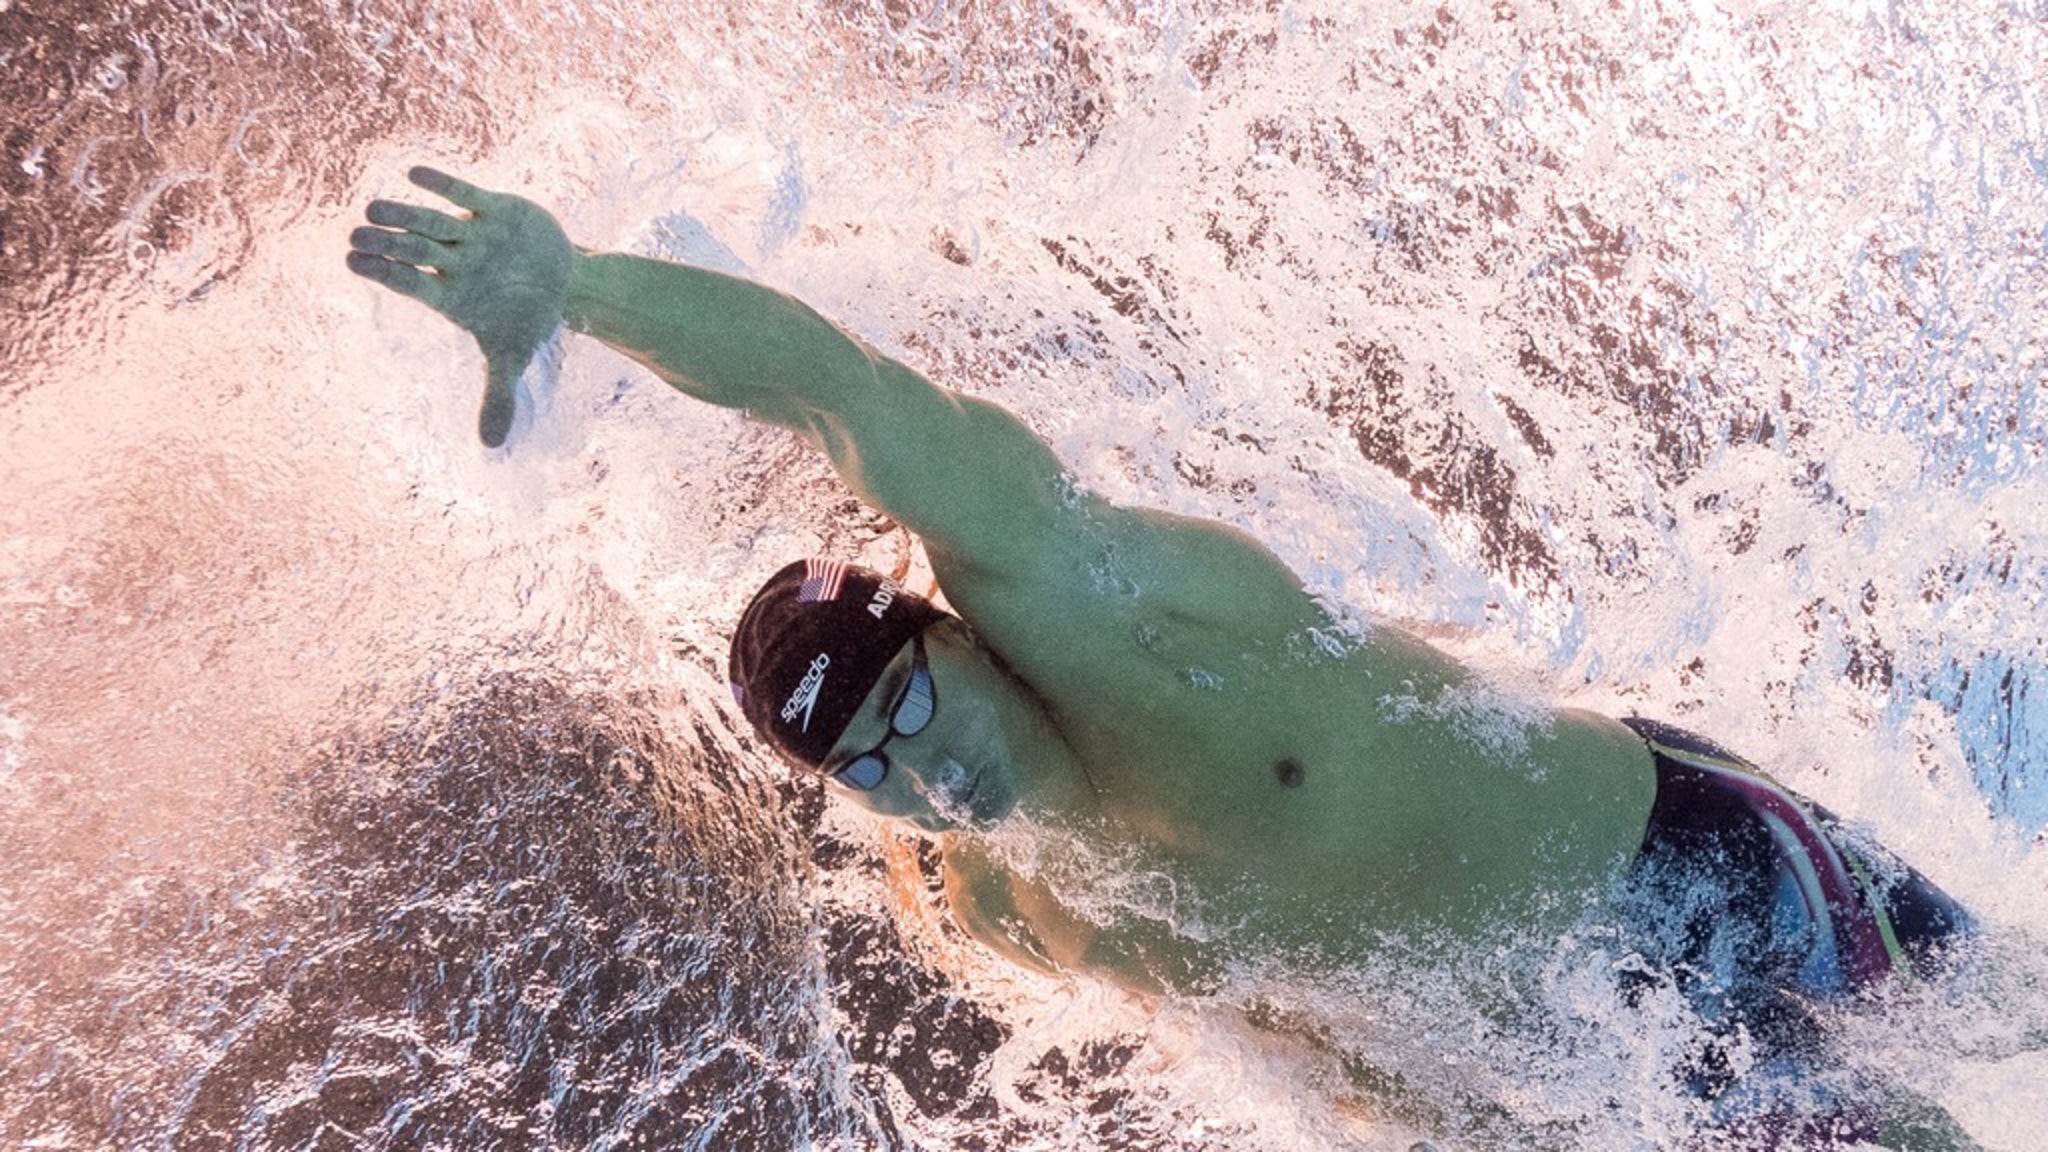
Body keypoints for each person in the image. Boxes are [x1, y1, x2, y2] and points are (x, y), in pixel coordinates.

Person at [348, 167, 1976, 1140]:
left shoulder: (1099, 606)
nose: (916, 763)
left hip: (1685, 864)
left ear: (947, 626)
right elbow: (1303, 1045)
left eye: (907, 697)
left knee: (2009, 1026)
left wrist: (578, 288)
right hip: (1616, 1075)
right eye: (866, 765)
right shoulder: (1003, 904)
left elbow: (849, 396)